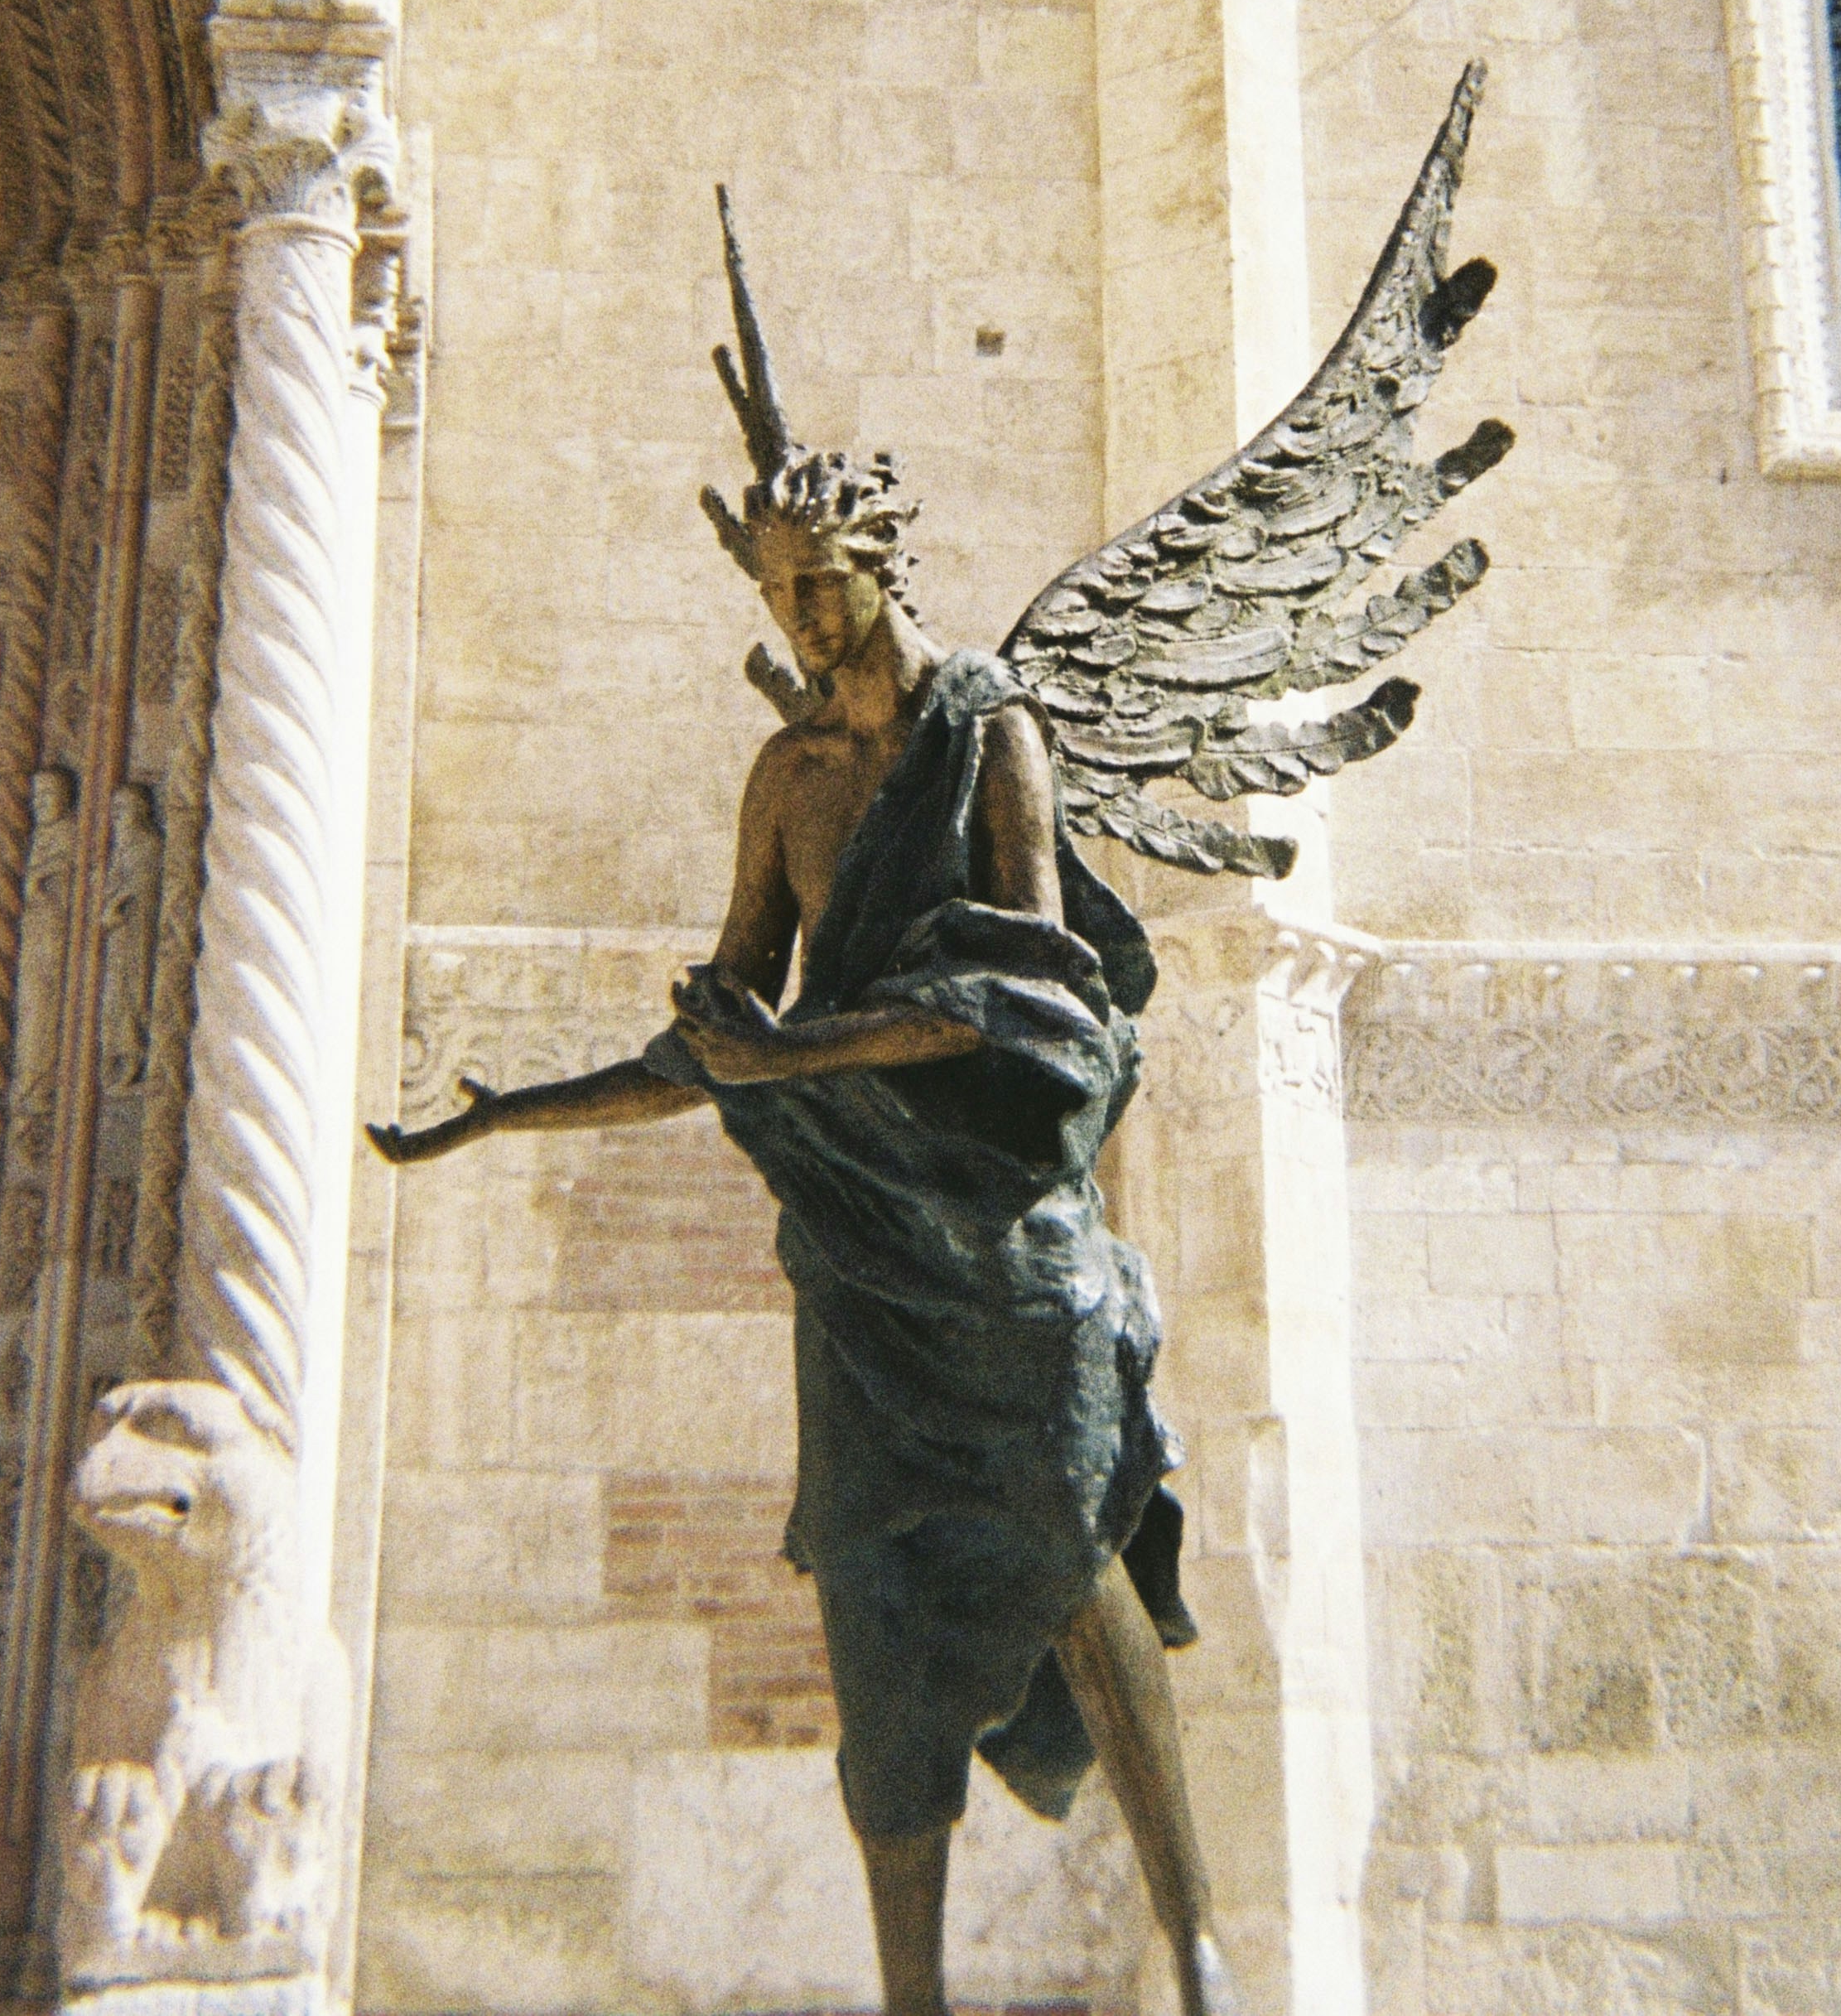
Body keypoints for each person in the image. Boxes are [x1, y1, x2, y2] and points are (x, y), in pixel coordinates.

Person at [369, 438, 1232, 2016]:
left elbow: (1028, 991)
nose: (810, 620)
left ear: (887, 561)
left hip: (1009, 1238)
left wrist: (804, 1056)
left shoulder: (989, 731)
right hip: (859, 1259)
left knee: (1072, 1534)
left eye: (827, 586)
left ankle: (1200, 1951)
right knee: (872, 1605)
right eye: (783, 595)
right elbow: (723, 1028)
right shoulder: (788, 780)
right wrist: (507, 1116)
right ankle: (913, 1997)